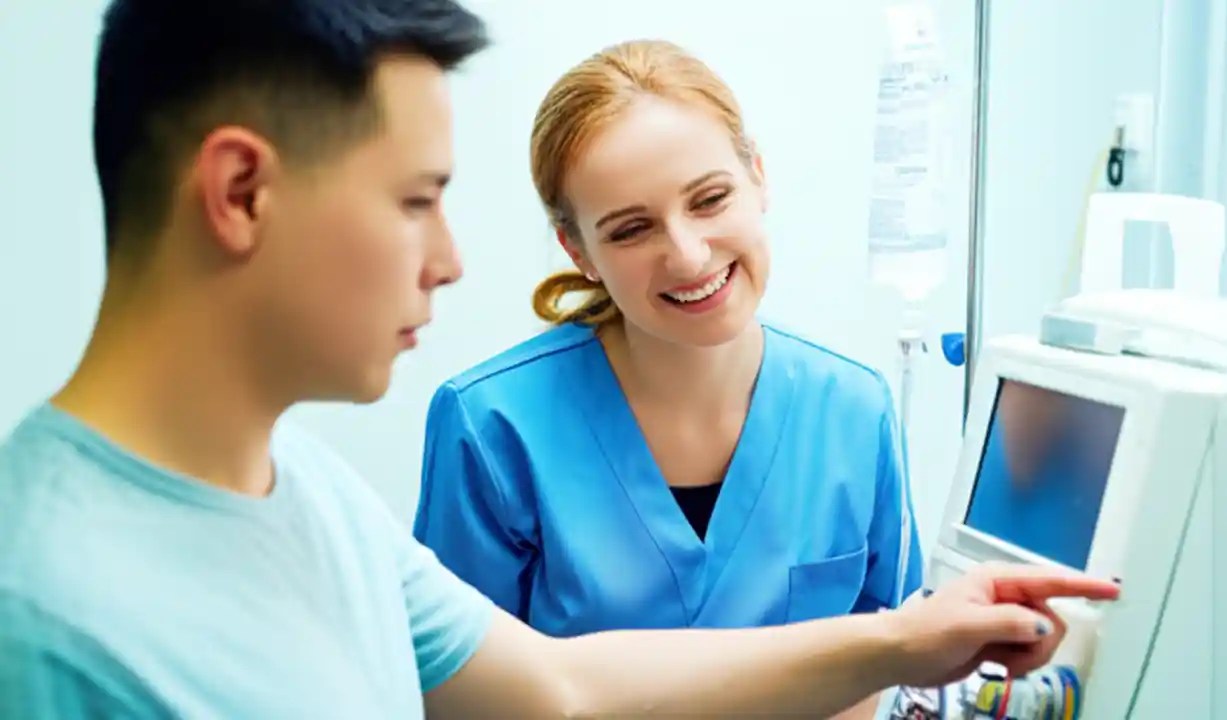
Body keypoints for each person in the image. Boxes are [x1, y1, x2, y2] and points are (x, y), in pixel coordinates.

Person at [0, 1, 1119, 718]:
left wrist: (904, 640)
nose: (449, 261)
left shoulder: (307, 498)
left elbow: (561, 685)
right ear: (242, 193)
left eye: (709, 200)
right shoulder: (49, 623)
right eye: (415, 201)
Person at [412, 39, 922, 716]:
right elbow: (455, 693)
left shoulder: (855, 409)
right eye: (631, 229)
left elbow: (887, 655)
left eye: (709, 199)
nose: (687, 255)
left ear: (758, 176)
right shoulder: (492, 426)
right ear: (578, 250)